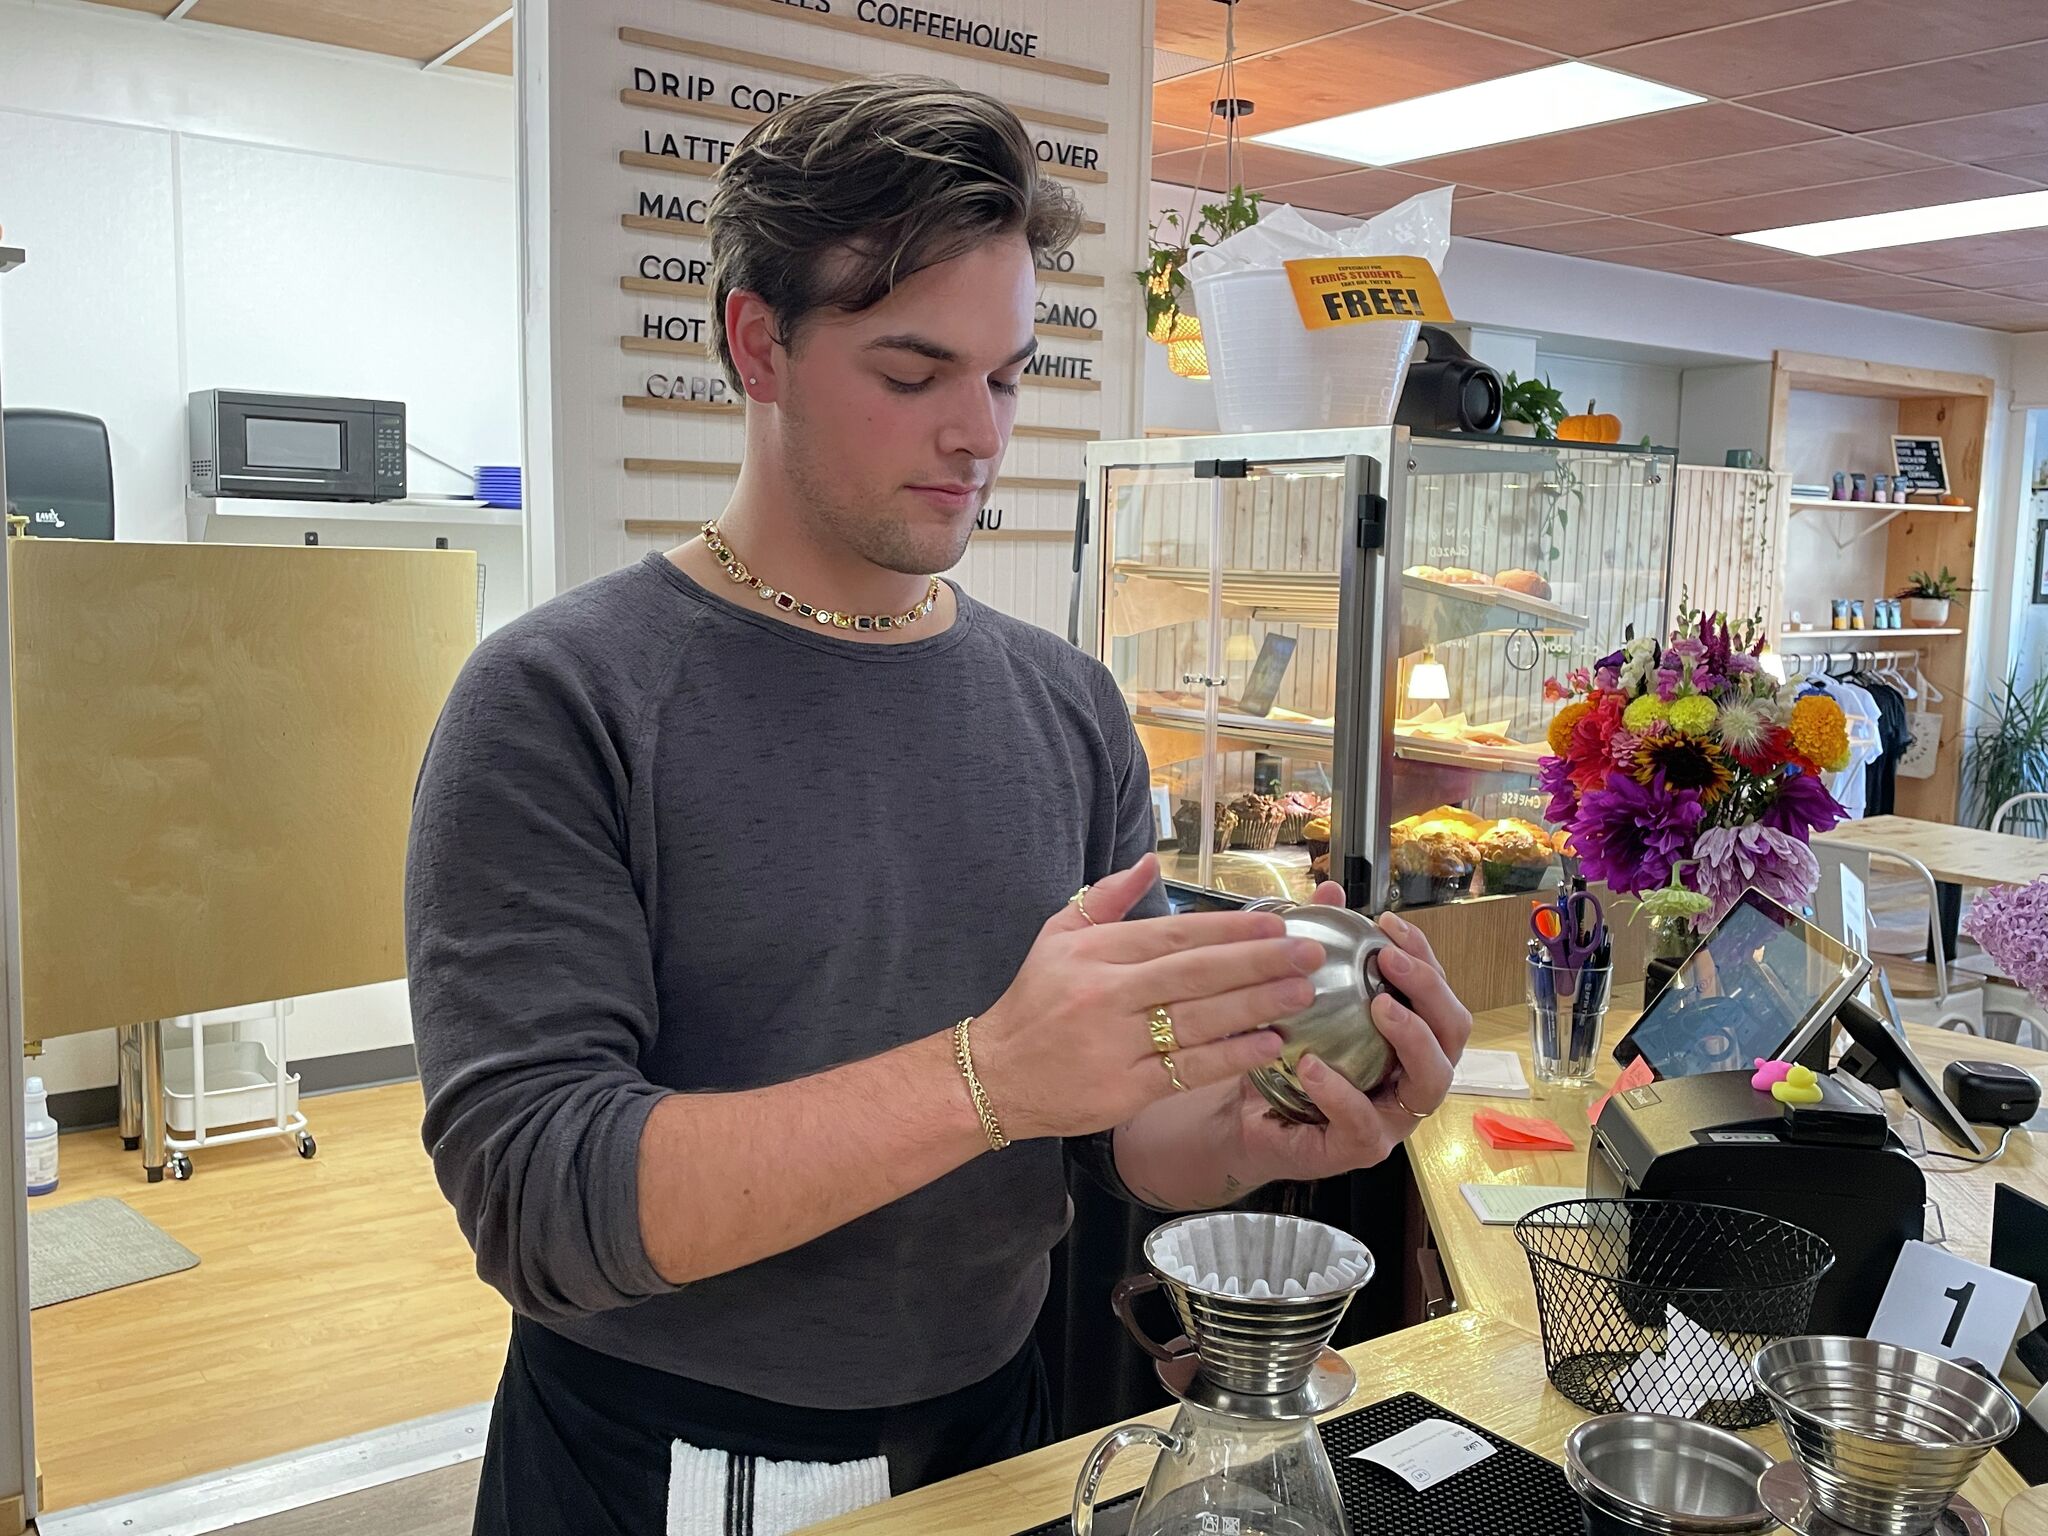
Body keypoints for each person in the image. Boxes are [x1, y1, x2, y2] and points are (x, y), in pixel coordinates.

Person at [404, 76, 1472, 1536]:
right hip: (672, 1462)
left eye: (1008, 374)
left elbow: (1118, 1132)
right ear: (756, 343)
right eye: (913, 374)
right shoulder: (560, 700)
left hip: (1006, 1421)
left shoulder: (1067, 706)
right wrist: (989, 1075)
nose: (979, 434)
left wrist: (1266, 1129)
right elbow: (541, 1200)